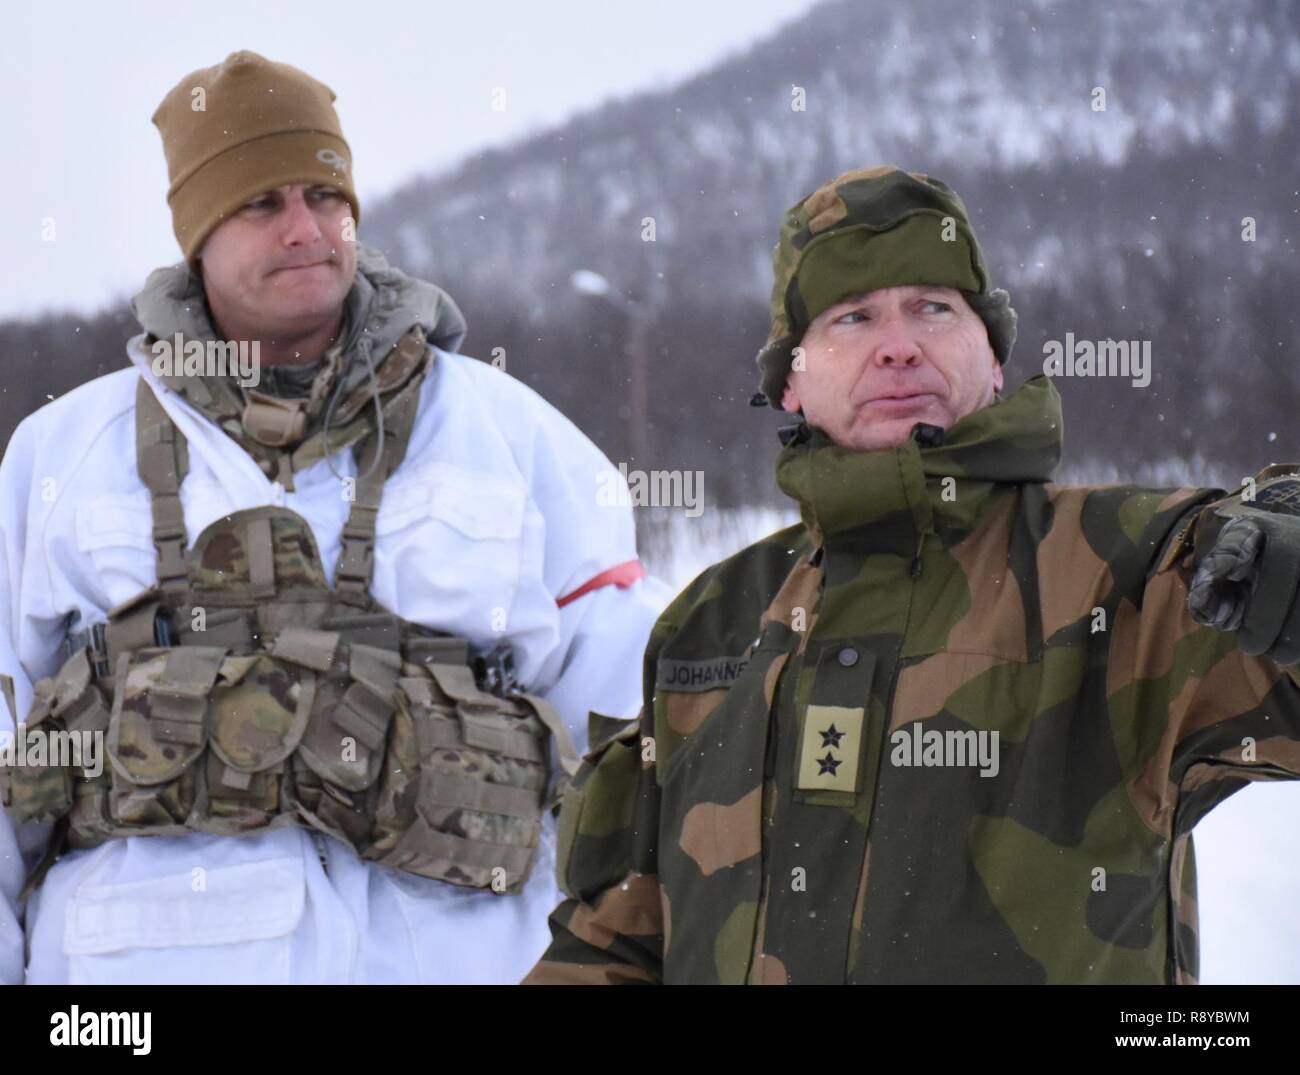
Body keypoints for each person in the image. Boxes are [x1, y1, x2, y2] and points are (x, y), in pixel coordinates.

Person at [523, 164, 1300, 984]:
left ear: (993, 357)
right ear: (791, 380)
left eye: (934, 307)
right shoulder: (711, 622)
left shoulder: (1130, 569)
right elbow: (613, 941)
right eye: (853, 317)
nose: (899, 344)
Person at [0, 50, 670, 984]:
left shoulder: (504, 431)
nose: (306, 229)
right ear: (197, 235)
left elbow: (638, 714)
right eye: (261, 203)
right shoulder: (64, 453)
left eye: (327, 197)